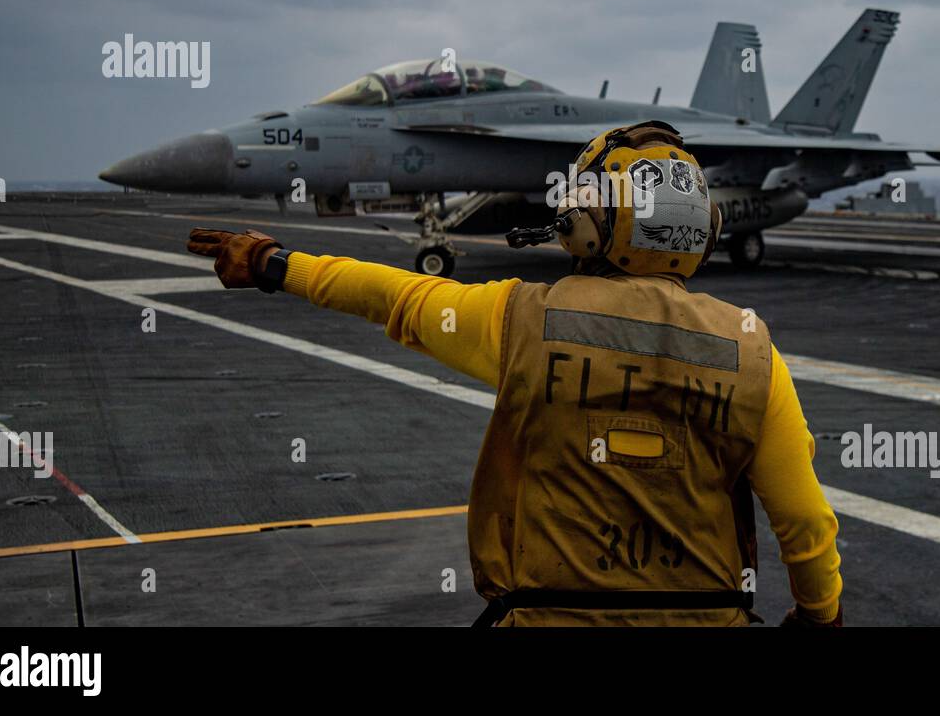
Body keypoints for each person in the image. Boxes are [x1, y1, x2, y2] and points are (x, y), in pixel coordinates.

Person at [187, 121, 843, 627]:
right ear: (701, 228)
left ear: (587, 224)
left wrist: (275, 263)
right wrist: (821, 614)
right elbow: (804, 522)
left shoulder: (521, 319)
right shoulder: (753, 352)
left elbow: (394, 296)